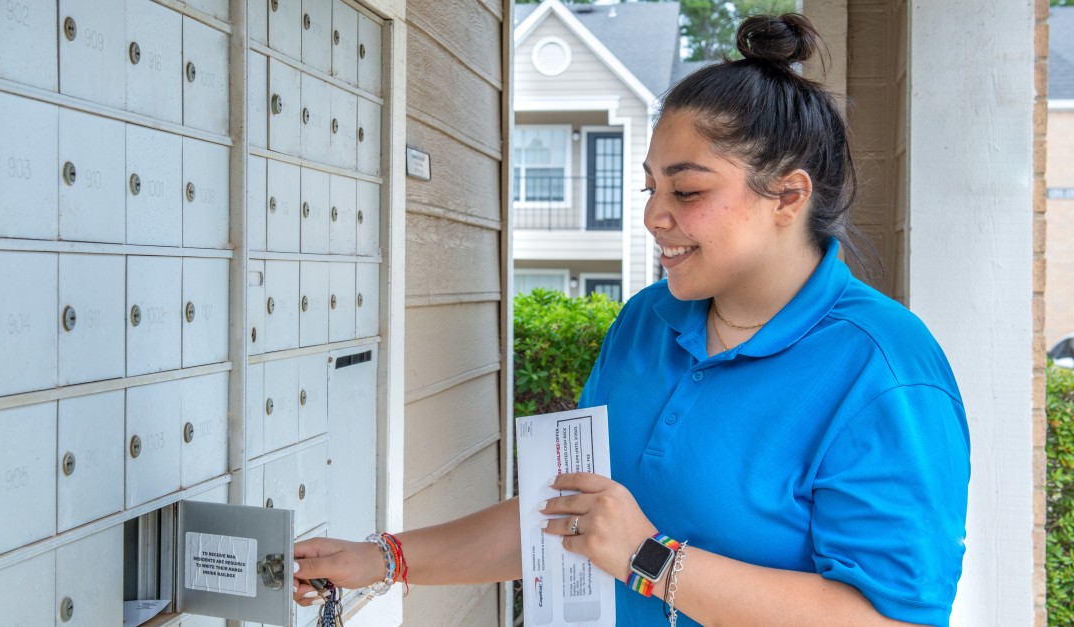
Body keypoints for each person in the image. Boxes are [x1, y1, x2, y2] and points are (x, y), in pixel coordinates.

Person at [293, 13, 970, 626]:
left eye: (688, 190)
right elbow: (572, 516)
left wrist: (653, 559)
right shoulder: (648, 320)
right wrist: (383, 558)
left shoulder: (884, 372)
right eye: (650, 187)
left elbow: (892, 619)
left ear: (788, 196)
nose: (652, 215)